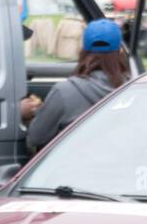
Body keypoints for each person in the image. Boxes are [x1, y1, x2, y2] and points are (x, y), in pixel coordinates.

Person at [25, 19, 131, 153]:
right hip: (121, 170)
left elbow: (35, 138)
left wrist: (37, 112)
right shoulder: (134, 90)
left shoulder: (64, 92)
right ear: (120, 52)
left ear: (83, 51)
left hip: (73, 171)